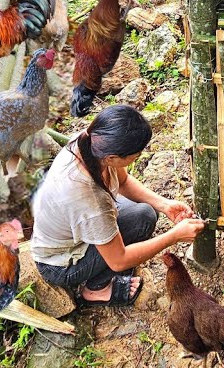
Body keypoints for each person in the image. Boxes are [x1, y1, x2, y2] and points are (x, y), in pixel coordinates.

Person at [31, 105, 206, 306]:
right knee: (141, 225)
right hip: (60, 264)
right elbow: (119, 260)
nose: (138, 156)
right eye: (136, 155)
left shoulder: (91, 141)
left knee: (145, 214)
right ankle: (96, 289)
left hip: (73, 229)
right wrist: (173, 236)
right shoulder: (89, 199)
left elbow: (122, 182)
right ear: (112, 158)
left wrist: (165, 205)